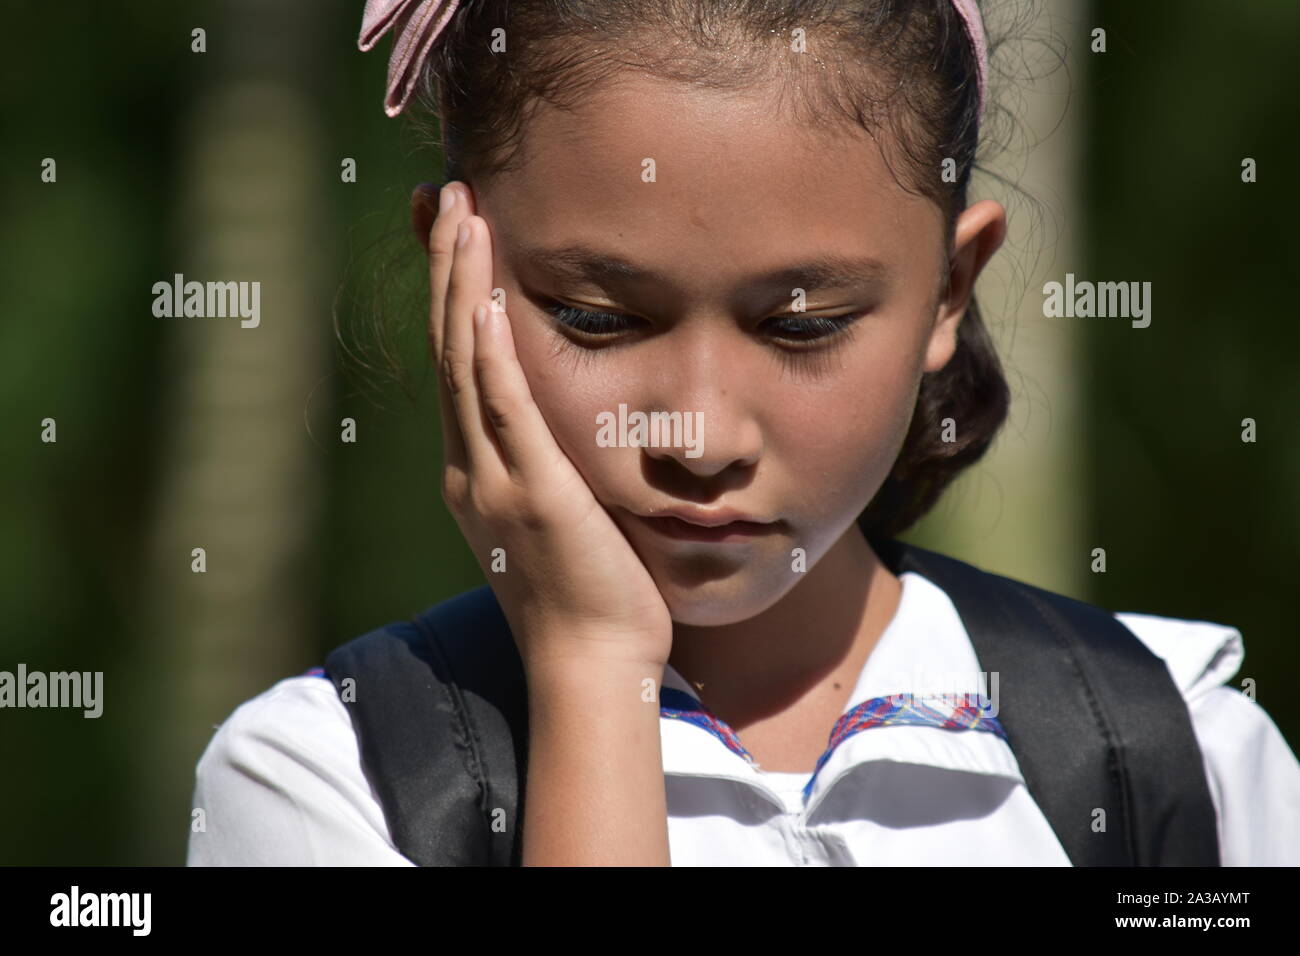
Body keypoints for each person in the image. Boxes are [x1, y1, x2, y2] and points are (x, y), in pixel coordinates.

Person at [186, 0, 1300, 866]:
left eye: (801, 324)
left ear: (950, 289)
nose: (699, 432)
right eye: (598, 316)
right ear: (451, 267)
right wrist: (591, 670)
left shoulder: (1177, 756)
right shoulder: (338, 779)